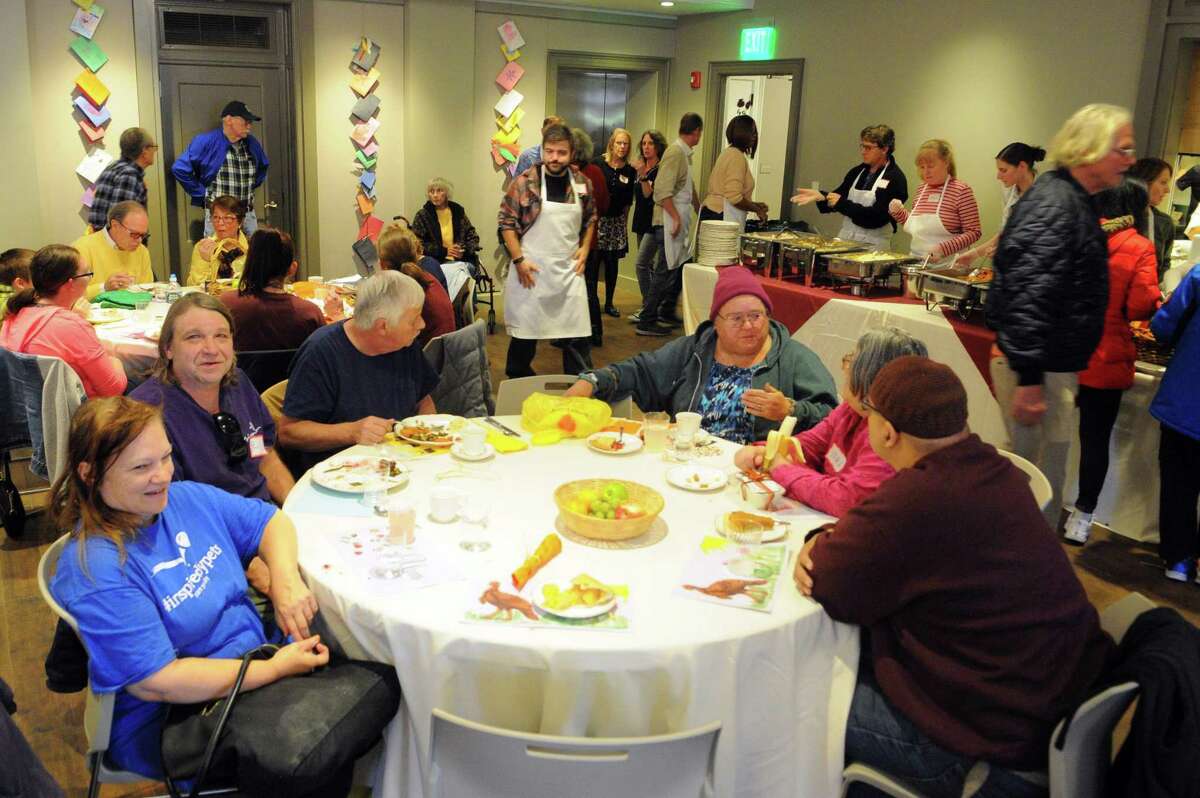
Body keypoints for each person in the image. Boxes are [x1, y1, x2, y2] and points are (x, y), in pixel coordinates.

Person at [794, 357, 1113, 798]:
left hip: (978, 751)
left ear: (887, 432)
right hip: (1040, 711)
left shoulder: (920, 498)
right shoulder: (995, 470)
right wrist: (829, 537)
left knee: (793, 695)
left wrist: (817, 542)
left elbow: (832, 583)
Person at [47, 396, 345, 788]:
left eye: (165, 457)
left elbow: (272, 521)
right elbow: (157, 680)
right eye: (141, 467)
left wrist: (285, 582)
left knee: (361, 704)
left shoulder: (182, 499)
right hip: (178, 718)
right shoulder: (99, 570)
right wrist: (272, 669)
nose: (163, 476)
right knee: (320, 753)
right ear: (90, 473)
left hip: (252, 663)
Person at [986, 103, 1134, 526]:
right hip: (1035, 369)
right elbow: (1029, 295)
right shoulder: (1057, 204)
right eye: (1121, 150)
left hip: (1046, 366)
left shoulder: (1069, 200)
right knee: (1031, 492)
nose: (1129, 160)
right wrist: (1031, 382)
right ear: (1090, 149)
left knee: (1040, 487)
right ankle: (1016, 581)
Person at [564, 266, 836, 444]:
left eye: (756, 315)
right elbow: (641, 370)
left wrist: (790, 410)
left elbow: (833, 419)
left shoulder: (794, 357)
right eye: (736, 318)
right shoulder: (695, 349)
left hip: (755, 471)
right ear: (715, 322)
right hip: (685, 464)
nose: (749, 325)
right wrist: (593, 380)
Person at [733, 327, 926, 516]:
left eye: (852, 360)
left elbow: (846, 499)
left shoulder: (886, 434)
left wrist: (781, 468)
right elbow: (811, 444)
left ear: (870, 375)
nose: (845, 367)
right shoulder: (852, 409)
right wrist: (764, 452)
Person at [1064, 180, 1161, 546]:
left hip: (1063, 353)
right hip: (1104, 359)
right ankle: (1082, 515)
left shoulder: (1078, 237)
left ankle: (1040, 497)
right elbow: (1140, 306)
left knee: (1055, 434)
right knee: (1095, 440)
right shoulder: (1139, 248)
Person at [131, 293, 295, 504]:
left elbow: (261, 454)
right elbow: (173, 510)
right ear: (168, 348)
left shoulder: (238, 384)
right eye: (194, 337)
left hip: (263, 516)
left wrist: (296, 509)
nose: (211, 349)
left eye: (221, 336)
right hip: (207, 529)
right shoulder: (147, 414)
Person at [278, 270, 438, 470]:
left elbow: (423, 399)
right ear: (382, 326)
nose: (422, 325)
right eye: (414, 319)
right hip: (339, 475)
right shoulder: (321, 353)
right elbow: (289, 432)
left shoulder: (405, 345)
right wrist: (351, 432)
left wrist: (426, 439)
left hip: (398, 466)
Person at [497, 123, 597, 378]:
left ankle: (579, 388)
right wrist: (519, 260)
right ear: (542, 150)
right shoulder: (524, 182)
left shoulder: (582, 183)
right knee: (525, 336)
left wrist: (585, 248)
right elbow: (506, 222)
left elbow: (591, 218)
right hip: (531, 270)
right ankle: (520, 384)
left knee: (577, 337)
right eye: (549, 151)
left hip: (568, 271)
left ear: (572, 153)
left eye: (561, 152)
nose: (554, 157)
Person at [0, 244, 126, 397]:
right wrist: (114, 358)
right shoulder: (71, 325)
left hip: (28, 409)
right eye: (87, 274)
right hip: (77, 412)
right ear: (70, 283)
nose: (89, 279)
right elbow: (113, 389)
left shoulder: (13, 315)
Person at [1150, 258, 1200, 581]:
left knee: (1178, 480)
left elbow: (1164, 325)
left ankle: (1178, 560)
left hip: (1187, 395)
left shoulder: (1199, 273)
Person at [791, 124, 908, 249]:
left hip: (873, 246)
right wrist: (822, 196)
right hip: (846, 239)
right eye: (862, 146)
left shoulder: (895, 178)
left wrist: (840, 203)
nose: (862, 151)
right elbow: (839, 196)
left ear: (884, 149)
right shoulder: (857, 172)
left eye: (868, 148)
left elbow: (876, 218)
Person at [219, 227, 334, 353]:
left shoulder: (226, 305)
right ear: (292, 268)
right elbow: (329, 354)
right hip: (293, 373)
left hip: (239, 373)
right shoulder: (310, 313)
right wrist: (336, 315)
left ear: (248, 264)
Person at [639, 113, 703, 336]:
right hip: (666, 222)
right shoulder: (676, 153)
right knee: (663, 272)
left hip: (676, 221)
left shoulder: (685, 155)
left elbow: (688, 185)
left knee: (677, 266)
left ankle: (664, 310)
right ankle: (647, 318)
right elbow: (662, 190)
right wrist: (675, 217)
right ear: (696, 131)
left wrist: (698, 206)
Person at [170, 101, 269, 236]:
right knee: (217, 254)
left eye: (250, 122)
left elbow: (263, 167)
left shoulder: (251, 143)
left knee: (253, 255)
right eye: (245, 121)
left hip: (246, 215)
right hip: (219, 219)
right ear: (228, 120)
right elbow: (180, 169)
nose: (249, 126)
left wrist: (250, 187)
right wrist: (203, 195)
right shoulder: (206, 141)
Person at [888, 139, 981, 264]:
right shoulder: (922, 189)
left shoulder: (961, 191)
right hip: (918, 262)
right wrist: (898, 212)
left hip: (949, 266)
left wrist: (943, 249)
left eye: (931, 166)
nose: (925, 172)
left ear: (946, 163)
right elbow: (916, 227)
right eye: (922, 167)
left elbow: (974, 232)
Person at [955, 142, 1045, 268]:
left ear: (1022, 166)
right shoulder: (1009, 191)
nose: (998, 176)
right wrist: (974, 254)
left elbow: (1041, 241)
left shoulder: (1045, 194)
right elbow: (1005, 232)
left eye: (1003, 170)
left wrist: (1006, 250)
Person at [377, 222, 455, 347]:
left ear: (383, 265)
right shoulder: (424, 277)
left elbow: (388, 334)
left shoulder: (406, 291)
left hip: (429, 359)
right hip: (444, 352)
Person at [572, 128, 611, 348]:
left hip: (577, 243)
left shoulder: (574, 174)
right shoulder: (597, 172)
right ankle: (595, 333)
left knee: (577, 290)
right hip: (592, 241)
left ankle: (574, 334)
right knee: (590, 289)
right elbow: (604, 205)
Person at [595, 128, 638, 320]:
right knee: (594, 262)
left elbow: (628, 201)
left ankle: (609, 302)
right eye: (619, 143)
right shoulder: (598, 164)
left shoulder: (630, 171)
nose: (622, 147)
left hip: (616, 223)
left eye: (625, 144)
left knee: (612, 264)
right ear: (612, 143)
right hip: (598, 221)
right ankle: (592, 301)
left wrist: (624, 226)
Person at [71, 201, 155, 299]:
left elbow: (147, 291)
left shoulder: (142, 251)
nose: (139, 240)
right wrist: (104, 287)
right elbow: (70, 295)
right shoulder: (83, 248)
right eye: (134, 234)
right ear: (115, 225)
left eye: (143, 235)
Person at [629, 129, 668, 325]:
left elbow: (649, 195)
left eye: (650, 143)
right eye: (643, 143)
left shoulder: (661, 168)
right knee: (647, 266)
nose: (646, 147)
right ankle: (651, 308)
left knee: (643, 264)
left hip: (655, 222)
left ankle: (649, 307)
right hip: (641, 220)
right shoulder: (640, 167)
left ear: (658, 146)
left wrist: (643, 176)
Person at [701, 115, 768, 228]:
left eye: (755, 132)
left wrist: (754, 205)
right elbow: (734, 197)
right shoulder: (736, 157)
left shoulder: (728, 153)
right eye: (751, 132)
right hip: (721, 215)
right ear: (741, 134)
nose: (754, 136)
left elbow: (728, 193)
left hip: (713, 212)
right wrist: (757, 209)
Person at [87, 127, 158, 231]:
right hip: (116, 246)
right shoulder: (129, 175)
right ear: (145, 151)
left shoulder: (113, 167)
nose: (155, 151)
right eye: (154, 147)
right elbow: (122, 226)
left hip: (101, 241)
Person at [409, 177, 482, 269]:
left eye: (439, 191)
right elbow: (417, 244)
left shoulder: (458, 212)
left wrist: (463, 251)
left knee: (467, 268)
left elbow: (473, 237)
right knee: (457, 272)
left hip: (460, 260)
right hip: (435, 262)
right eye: (432, 191)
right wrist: (444, 251)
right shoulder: (422, 215)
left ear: (447, 193)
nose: (435, 195)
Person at [1128, 157, 1176, 279]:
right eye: (1163, 182)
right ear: (1143, 182)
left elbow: (1164, 264)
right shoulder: (1117, 217)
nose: (1167, 190)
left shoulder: (1165, 223)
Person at [186, 195, 249, 286]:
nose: (220, 223)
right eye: (216, 218)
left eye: (227, 218)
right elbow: (193, 286)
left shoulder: (253, 247)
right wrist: (206, 261)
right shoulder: (203, 246)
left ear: (240, 222)